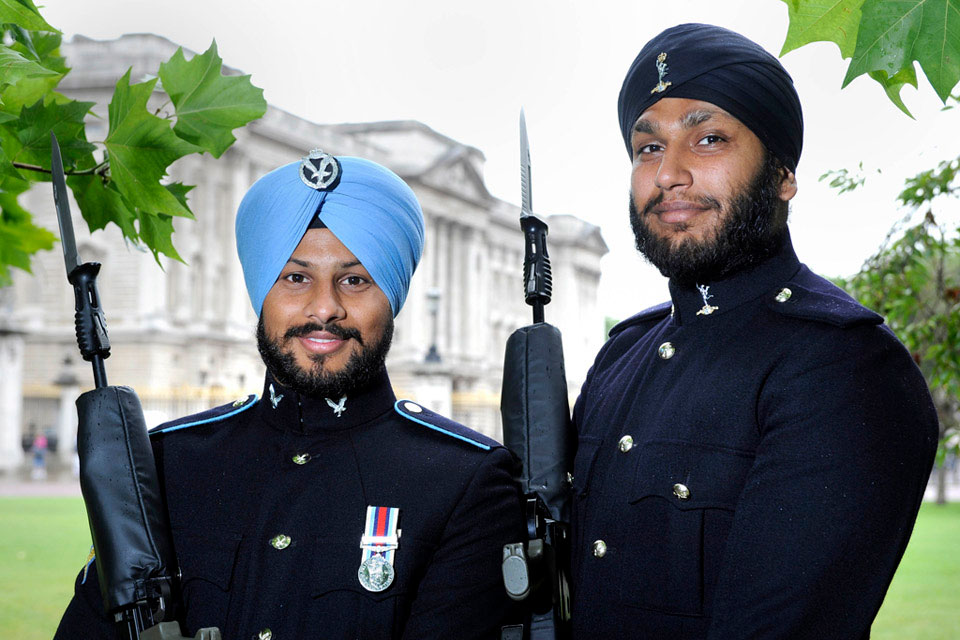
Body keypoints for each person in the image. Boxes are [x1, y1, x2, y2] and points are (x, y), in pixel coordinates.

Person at [56, 150, 524, 639]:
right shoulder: (164, 464)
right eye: (296, 278)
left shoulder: (467, 479)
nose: (325, 307)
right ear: (262, 293)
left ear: (393, 296)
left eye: (355, 280)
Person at [569, 23, 939, 639]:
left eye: (709, 138)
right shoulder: (622, 355)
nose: (669, 175)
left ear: (784, 175)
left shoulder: (842, 365)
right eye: (648, 148)